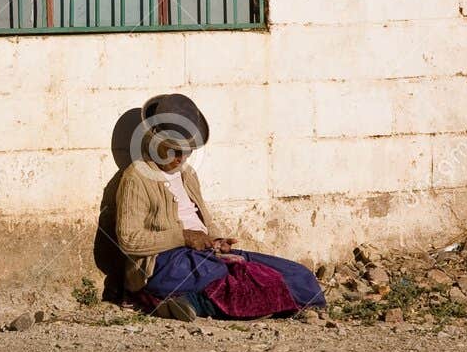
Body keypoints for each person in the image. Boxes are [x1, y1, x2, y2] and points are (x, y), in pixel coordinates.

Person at [114, 93, 325, 321]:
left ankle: (183, 302)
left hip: (202, 255)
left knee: (294, 274)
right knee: (220, 275)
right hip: (166, 262)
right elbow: (129, 240)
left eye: (187, 151)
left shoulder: (188, 175)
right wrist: (184, 237)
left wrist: (215, 241)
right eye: (174, 150)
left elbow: (202, 225)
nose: (181, 158)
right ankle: (183, 302)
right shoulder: (137, 177)